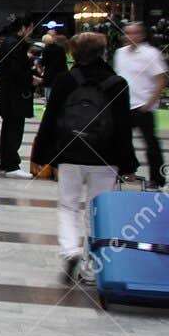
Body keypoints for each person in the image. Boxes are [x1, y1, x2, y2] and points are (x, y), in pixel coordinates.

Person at [31, 31, 138, 283]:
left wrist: (41, 154)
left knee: (68, 206)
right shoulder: (117, 83)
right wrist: (128, 163)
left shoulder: (65, 80)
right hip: (105, 156)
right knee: (97, 211)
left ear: (73, 53)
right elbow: (123, 127)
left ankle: (70, 250)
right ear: (102, 52)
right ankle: (91, 268)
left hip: (69, 152)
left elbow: (51, 119)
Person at [113, 21, 167, 184]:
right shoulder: (120, 53)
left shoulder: (152, 53)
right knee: (121, 142)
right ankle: (124, 172)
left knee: (151, 145)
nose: (130, 37)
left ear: (142, 35)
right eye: (127, 33)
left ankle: (157, 178)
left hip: (143, 106)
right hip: (124, 105)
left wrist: (149, 103)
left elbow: (161, 79)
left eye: (134, 33)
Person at [0, 15, 37, 179]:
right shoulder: (16, 44)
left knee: (9, 129)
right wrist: (31, 78)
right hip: (14, 96)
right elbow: (15, 70)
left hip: (8, 95)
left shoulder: (10, 42)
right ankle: (11, 164)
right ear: (26, 27)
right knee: (14, 130)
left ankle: (7, 163)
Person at [38, 29, 69, 100]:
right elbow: (64, 62)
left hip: (49, 75)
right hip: (61, 75)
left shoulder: (46, 50)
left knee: (49, 97)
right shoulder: (61, 49)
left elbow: (43, 63)